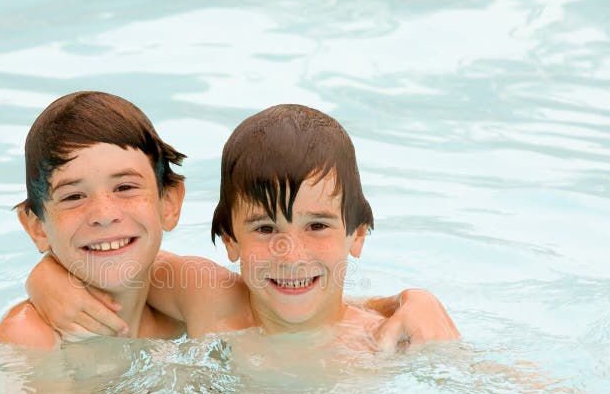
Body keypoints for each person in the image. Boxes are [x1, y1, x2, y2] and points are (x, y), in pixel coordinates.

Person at [27, 103, 458, 350]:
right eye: (266, 230)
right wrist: (46, 277)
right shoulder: (210, 300)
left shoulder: (377, 342)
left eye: (318, 226)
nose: (292, 254)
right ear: (230, 240)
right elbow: (123, 262)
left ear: (358, 234)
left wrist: (411, 300)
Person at [0, 91, 187, 348]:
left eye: (125, 187)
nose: (104, 215)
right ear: (37, 227)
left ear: (169, 204)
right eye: (73, 196)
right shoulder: (30, 339)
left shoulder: (187, 314)